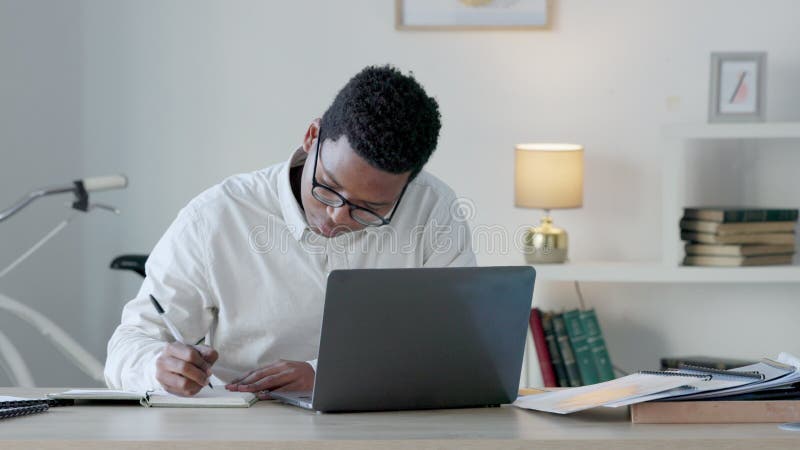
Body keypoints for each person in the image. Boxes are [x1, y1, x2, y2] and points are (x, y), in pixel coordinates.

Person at [104, 65, 476, 398]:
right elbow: (128, 345)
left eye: (369, 209)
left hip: (387, 429)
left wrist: (323, 376)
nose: (337, 216)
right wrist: (157, 365)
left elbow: (459, 350)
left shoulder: (432, 209)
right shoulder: (216, 216)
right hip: (246, 430)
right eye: (328, 186)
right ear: (312, 136)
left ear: (409, 184)